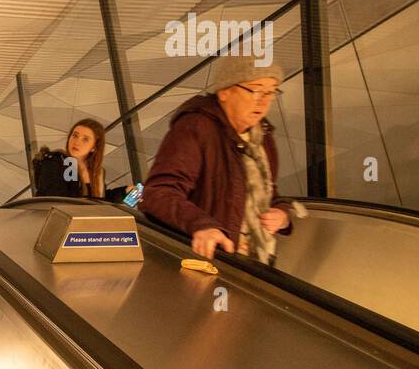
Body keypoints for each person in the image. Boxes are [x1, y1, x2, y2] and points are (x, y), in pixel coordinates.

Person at [140, 56, 294, 264]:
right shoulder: (196, 127)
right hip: (212, 261)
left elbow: (266, 192)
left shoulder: (263, 136)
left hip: (257, 262)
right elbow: (159, 192)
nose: (265, 101)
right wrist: (201, 225)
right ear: (224, 91)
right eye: (256, 90)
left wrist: (282, 214)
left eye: (271, 91)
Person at [32, 118, 110, 199]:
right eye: (75, 135)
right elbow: (60, 200)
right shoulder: (56, 162)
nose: (76, 142)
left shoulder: (97, 173)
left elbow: (103, 201)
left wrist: (124, 192)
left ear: (94, 147)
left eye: (85, 139)